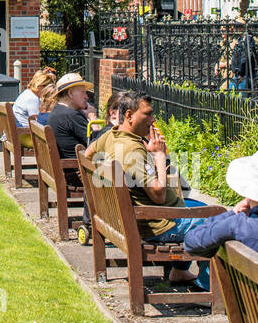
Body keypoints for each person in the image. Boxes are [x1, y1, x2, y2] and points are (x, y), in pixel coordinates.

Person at [87, 92, 206, 285]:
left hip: (124, 217)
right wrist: (159, 156)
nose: (153, 119)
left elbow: (88, 153)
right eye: (148, 114)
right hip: (155, 224)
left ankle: (179, 271)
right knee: (214, 219)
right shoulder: (132, 150)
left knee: (199, 205)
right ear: (129, 116)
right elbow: (158, 196)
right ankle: (206, 285)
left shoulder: (112, 135)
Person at [45, 72, 94, 161]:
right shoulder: (71, 115)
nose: (86, 97)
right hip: (78, 171)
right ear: (70, 93)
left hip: (65, 168)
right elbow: (98, 145)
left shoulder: (56, 111)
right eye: (83, 92)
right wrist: (93, 119)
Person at [229, 21, 258, 94]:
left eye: (237, 27)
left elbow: (246, 57)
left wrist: (241, 72)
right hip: (238, 73)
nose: (235, 29)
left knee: (241, 96)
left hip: (244, 74)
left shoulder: (248, 39)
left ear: (243, 28)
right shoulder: (239, 39)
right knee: (232, 93)